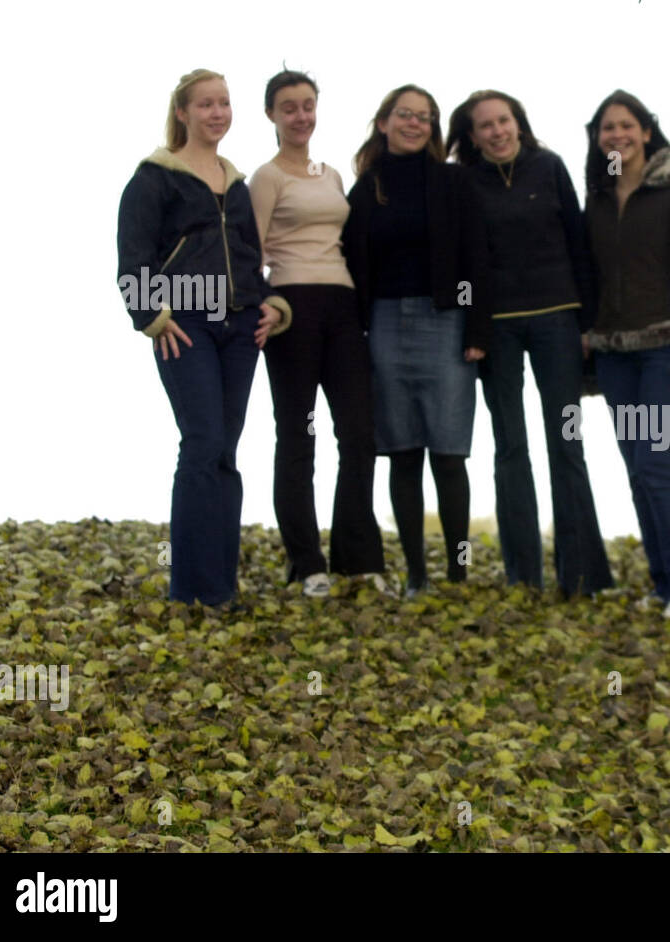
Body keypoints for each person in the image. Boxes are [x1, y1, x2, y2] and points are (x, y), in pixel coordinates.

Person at [117, 68, 292, 610]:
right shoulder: (154, 178)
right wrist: (150, 315)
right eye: (206, 105)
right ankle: (191, 589)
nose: (218, 113)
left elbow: (246, 254)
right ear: (183, 112)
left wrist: (273, 305)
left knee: (226, 451)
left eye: (224, 103)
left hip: (240, 327)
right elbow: (134, 255)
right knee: (202, 442)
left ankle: (222, 585)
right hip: (185, 325)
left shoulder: (234, 185)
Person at [447, 89, 612, 597]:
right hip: (497, 328)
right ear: (471, 136)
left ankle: (582, 575)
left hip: (558, 322)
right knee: (510, 448)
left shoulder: (550, 167)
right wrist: (472, 324)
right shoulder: (464, 183)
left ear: (519, 123)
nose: (497, 131)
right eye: (486, 126)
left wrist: (588, 324)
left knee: (566, 444)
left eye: (505, 121)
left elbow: (579, 244)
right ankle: (524, 577)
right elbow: (461, 263)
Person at [342, 85, 490, 597]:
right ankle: (416, 575)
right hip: (384, 324)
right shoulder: (367, 188)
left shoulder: (454, 182)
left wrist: (477, 328)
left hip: (446, 321)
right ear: (384, 122)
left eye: (425, 117)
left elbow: (477, 255)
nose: (415, 124)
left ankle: (457, 573)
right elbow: (350, 259)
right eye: (405, 115)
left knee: (449, 455)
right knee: (402, 452)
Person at [249, 70, 388, 598]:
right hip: (293, 309)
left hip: (342, 306)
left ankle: (358, 557)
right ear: (272, 116)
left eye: (308, 105)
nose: (301, 116)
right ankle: (306, 563)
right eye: (289, 108)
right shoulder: (266, 178)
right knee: (298, 435)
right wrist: (269, 306)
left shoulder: (330, 175)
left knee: (358, 433)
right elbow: (250, 253)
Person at [582, 90, 670, 618]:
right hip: (615, 356)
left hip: (666, 353)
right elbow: (589, 274)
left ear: (645, 132)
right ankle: (664, 586)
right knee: (637, 468)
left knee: (657, 464)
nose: (616, 136)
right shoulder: (597, 195)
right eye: (606, 129)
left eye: (626, 126)